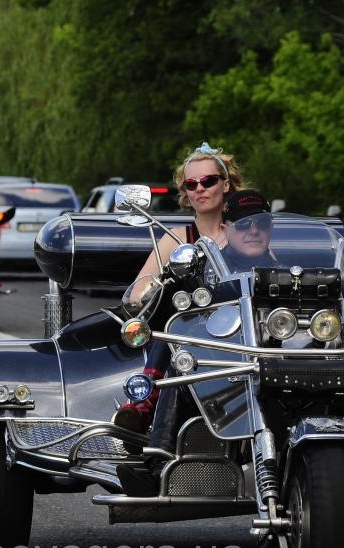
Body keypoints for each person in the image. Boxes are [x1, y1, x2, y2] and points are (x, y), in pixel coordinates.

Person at [112, 142, 248, 433]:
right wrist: (158, 285)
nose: (200, 188)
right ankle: (145, 403)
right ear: (185, 191)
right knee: (174, 317)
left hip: (241, 334)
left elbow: (268, 270)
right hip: (190, 334)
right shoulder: (176, 237)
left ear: (226, 185)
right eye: (191, 183)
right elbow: (139, 291)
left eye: (208, 181)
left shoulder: (245, 233)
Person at [220, 189, 278, 271]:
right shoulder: (205, 275)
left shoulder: (289, 277)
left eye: (262, 222)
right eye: (243, 223)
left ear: (271, 228)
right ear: (225, 230)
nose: (254, 231)